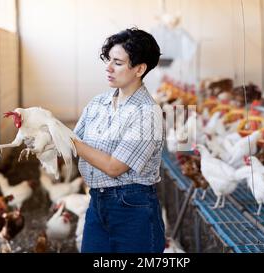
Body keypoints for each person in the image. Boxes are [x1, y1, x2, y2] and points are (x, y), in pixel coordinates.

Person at [72, 28, 165, 253]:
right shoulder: (98, 103)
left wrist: (66, 139)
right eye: (108, 60)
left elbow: (114, 167)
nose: (109, 67)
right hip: (97, 202)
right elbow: (74, 143)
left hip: (132, 207)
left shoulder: (147, 112)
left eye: (118, 62)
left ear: (139, 69)